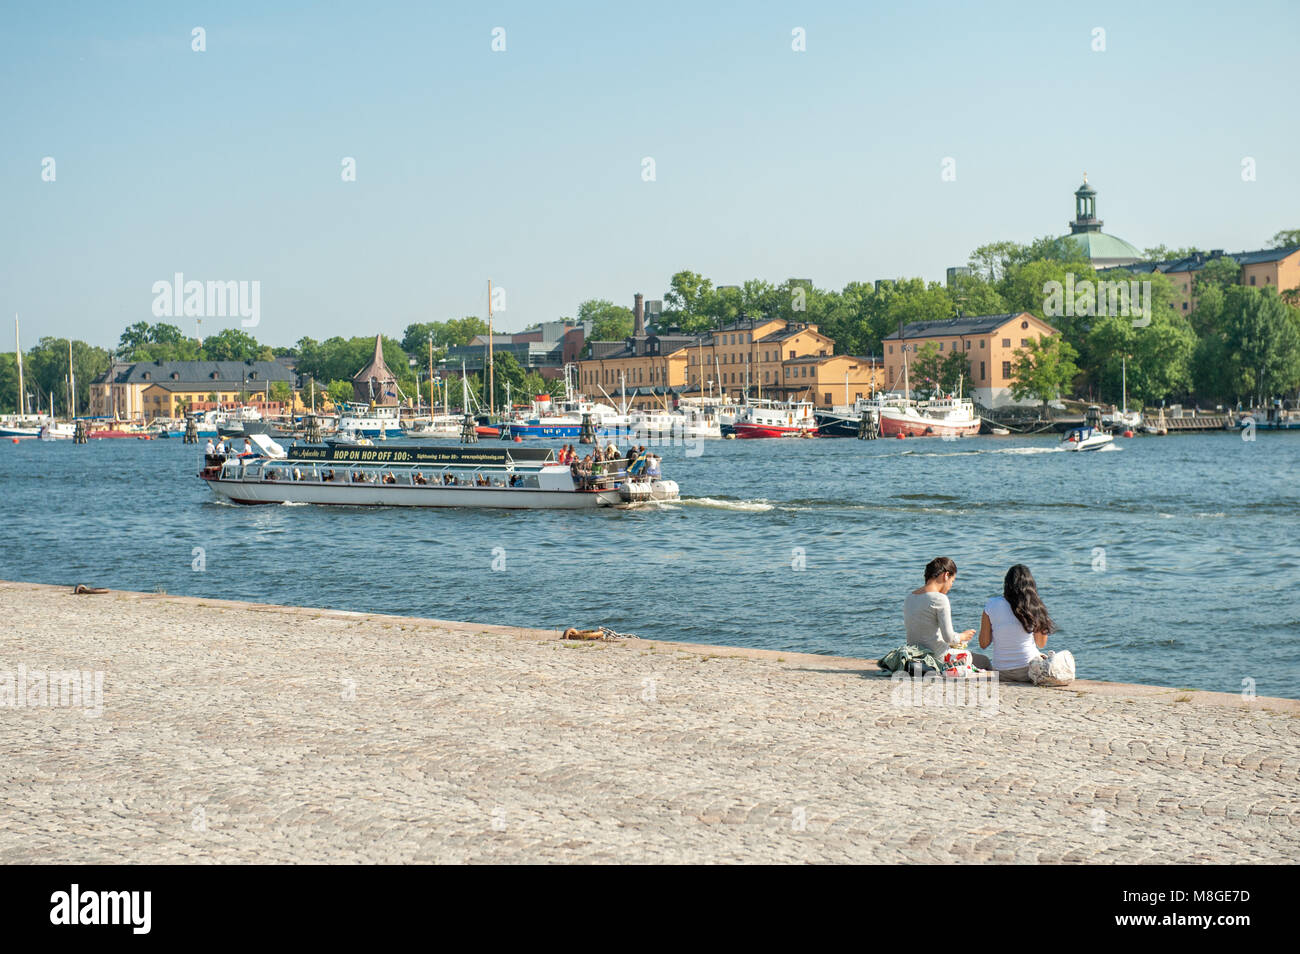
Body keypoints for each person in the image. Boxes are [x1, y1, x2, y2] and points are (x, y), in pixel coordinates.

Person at [902, 557, 992, 668]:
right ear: (946, 575)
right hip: (938, 658)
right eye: (952, 581)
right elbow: (949, 637)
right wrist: (963, 636)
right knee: (984, 661)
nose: (951, 586)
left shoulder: (910, 597)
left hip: (914, 657)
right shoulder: (939, 599)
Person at [978, 565, 1056, 682]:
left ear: (1006, 584)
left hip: (1000, 671)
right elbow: (1041, 643)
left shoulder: (991, 604)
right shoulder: (1034, 606)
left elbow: (983, 644)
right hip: (1028, 671)